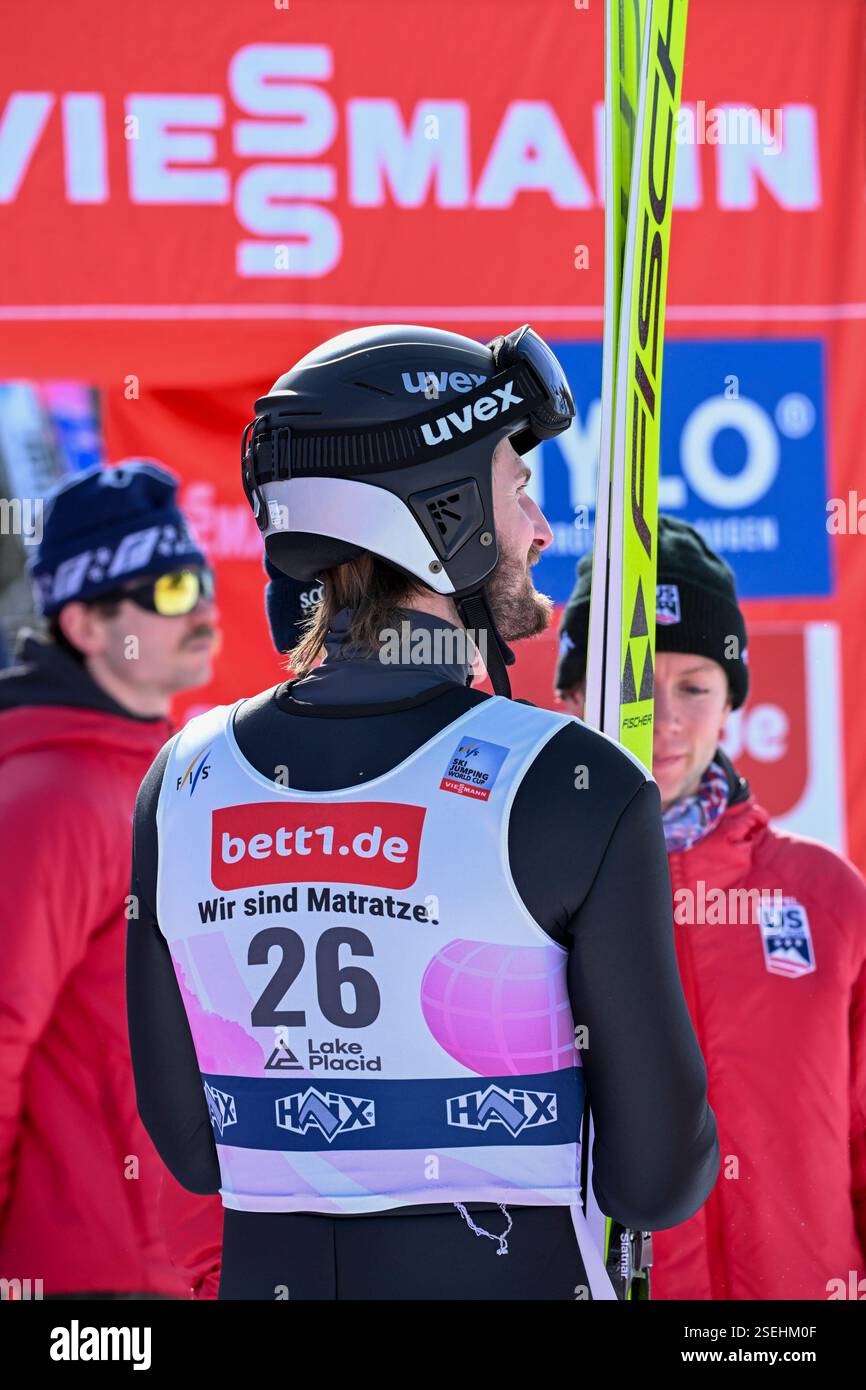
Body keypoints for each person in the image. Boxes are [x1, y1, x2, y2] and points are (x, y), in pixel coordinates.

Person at [127, 324, 719, 1301]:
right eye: (514, 486)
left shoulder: (182, 780)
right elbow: (655, 1180)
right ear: (443, 515)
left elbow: (196, 1151)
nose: (536, 527)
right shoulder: (575, 782)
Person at [555, 514, 866, 1300]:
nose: (662, 719)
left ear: (733, 703)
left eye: (694, 687)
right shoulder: (523, 896)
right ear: (569, 695)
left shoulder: (825, 897)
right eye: (633, 686)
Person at [0, 460, 220, 1298]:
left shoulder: (155, 772)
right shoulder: (50, 796)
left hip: (163, 1266)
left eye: (197, 579)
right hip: (84, 1283)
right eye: (167, 591)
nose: (201, 608)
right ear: (89, 624)